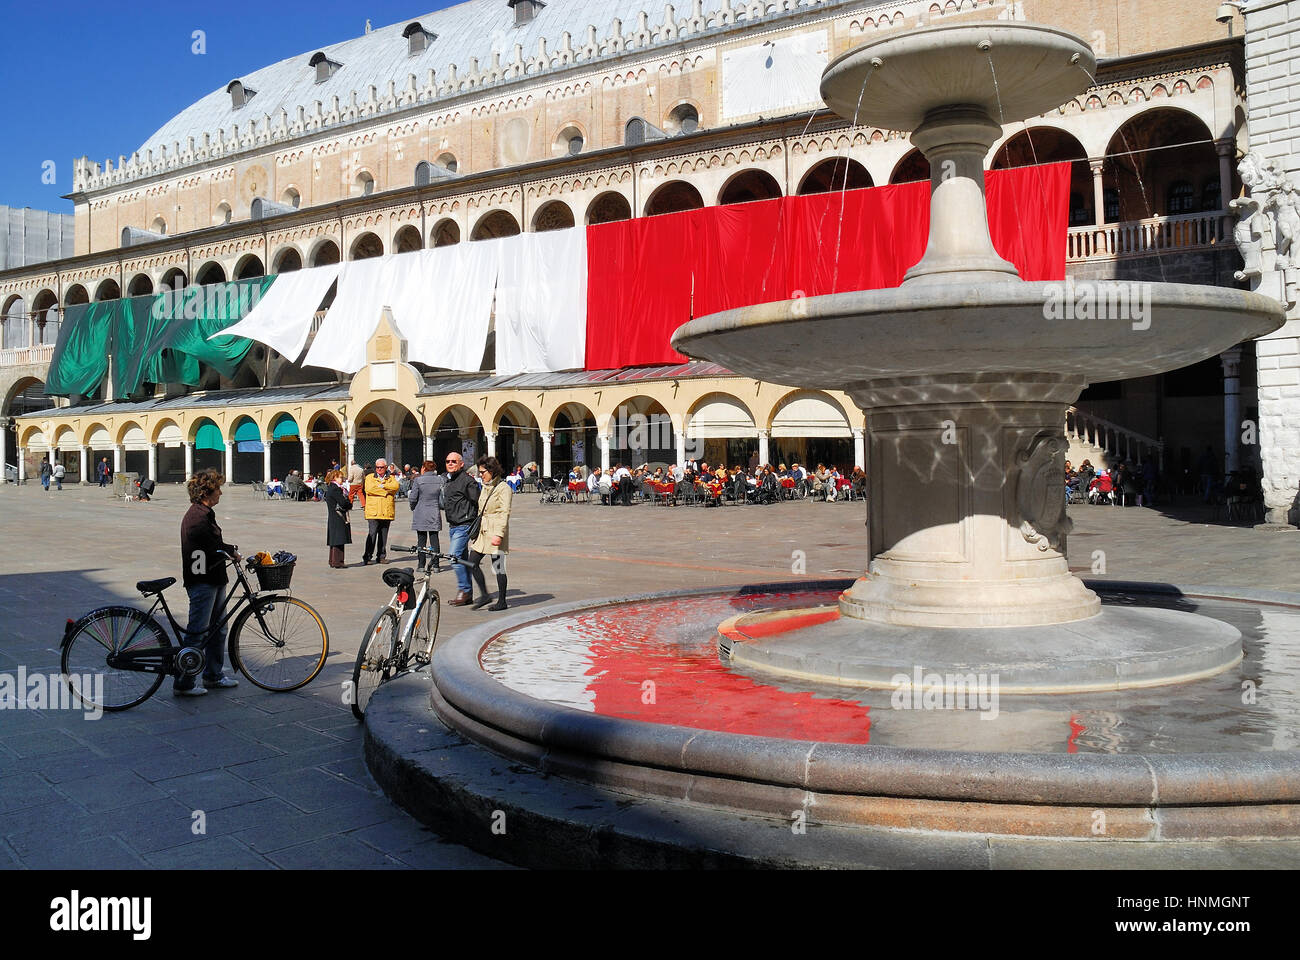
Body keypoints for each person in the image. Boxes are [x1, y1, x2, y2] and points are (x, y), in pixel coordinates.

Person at [176, 470, 241, 695]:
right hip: (203, 581)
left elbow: (213, 543)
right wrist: (228, 552)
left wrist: (228, 549)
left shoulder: (204, 513)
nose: (221, 493)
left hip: (213, 578)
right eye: (218, 488)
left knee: (218, 630)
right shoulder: (197, 516)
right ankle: (184, 683)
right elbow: (205, 548)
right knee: (198, 632)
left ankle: (213, 675)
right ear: (207, 491)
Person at [468, 457, 514, 611]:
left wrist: (499, 534)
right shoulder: (485, 486)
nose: (481, 475)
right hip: (483, 532)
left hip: (495, 531)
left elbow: (504, 512)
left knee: (498, 567)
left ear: (492, 470)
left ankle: (502, 601)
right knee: (471, 562)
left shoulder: (503, 488)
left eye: (483, 472)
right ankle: (485, 594)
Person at [441, 450, 479, 605]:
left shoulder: (467, 481)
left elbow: (477, 500)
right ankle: (468, 594)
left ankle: (463, 590)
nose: (450, 464)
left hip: (464, 525)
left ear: (461, 464)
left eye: (453, 461)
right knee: (461, 559)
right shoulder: (449, 480)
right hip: (453, 525)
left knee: (454, 558)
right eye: (448, 461)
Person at [408, 460, 445, 573]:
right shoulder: (440, 480)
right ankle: (436, 565)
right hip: (434, 511)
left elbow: (413, 497)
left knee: (421, 540)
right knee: (434, 539)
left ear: (424, 468)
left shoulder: (418, 480)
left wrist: (413, 507)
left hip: (421, 511)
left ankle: (421, 564)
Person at [362, 458, 400, 565]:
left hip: (386, 511)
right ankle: (367, 556)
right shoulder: (369, 477)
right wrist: (385, 492)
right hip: (373, 511)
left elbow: (396, 487)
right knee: (372, 534)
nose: (379, 469)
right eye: (377, 467)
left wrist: (382, 486)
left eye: (381, 467)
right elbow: (369, 489)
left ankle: (381, 556)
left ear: (386, 467)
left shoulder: (391, 478)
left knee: (383, 536)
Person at [322, 469, 351, 568]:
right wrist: (349, 503)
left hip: (333, 516)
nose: (342, 479)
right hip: (338, 516)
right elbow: (343, 502)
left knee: (334, 539)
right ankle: (338, 562)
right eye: (340, 477)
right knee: (339, 539)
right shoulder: (336, 489)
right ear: (334, 477)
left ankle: (332, 560)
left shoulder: (331, 487)